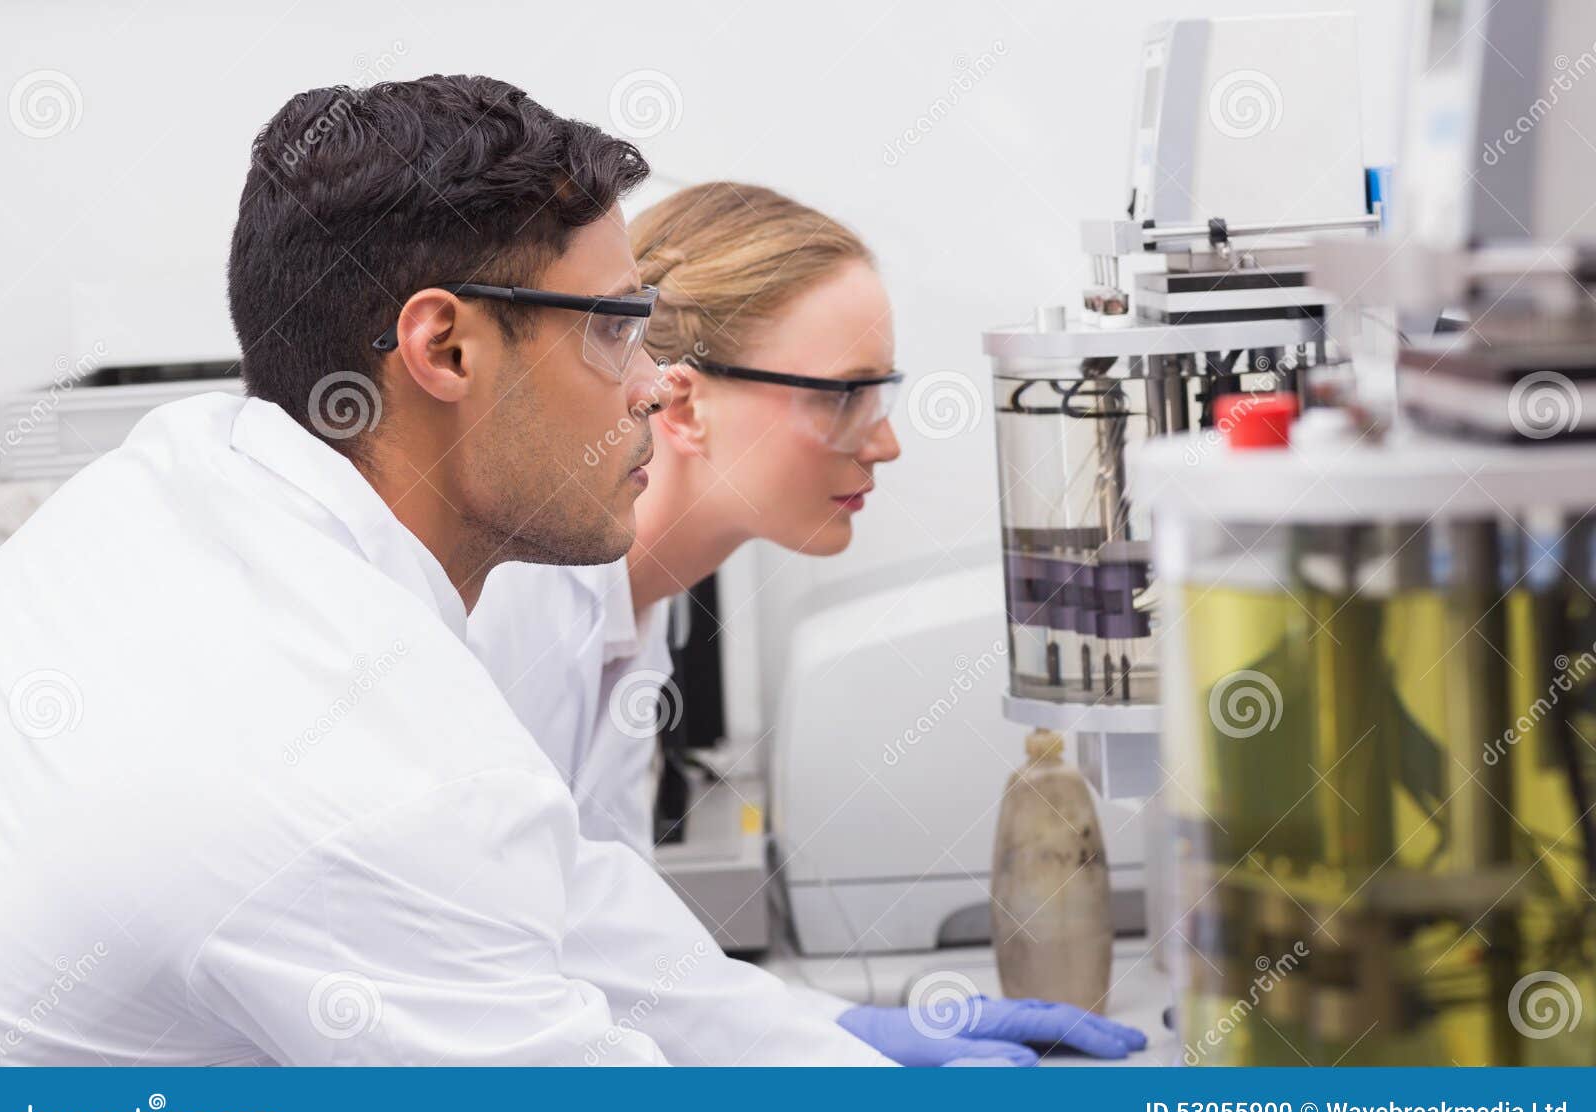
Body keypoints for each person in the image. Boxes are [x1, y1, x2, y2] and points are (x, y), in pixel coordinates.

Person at [0, 77, 893, 1066]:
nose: (652, 384)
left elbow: (563, 900)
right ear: (445, 347)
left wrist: (835, 1052)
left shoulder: (178, 474)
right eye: (611, 329)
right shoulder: (379, 774)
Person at [467, 184, 1149, 1066]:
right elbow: (510, 972)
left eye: (882, 393)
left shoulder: (642, 609)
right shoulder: (518, 601)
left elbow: (608, 942)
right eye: (842, 396)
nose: (885, 442)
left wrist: (833, 1031)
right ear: (678, 403)